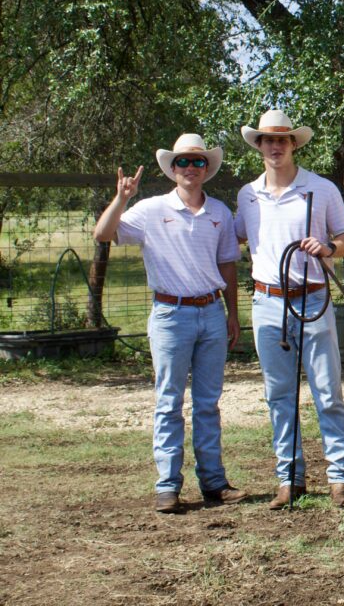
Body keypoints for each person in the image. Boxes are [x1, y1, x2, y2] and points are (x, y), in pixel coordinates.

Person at [94, 134, 244, 514]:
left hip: (211, 312)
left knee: (208, 403)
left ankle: (214, 483)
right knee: (168, 402)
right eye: (183, 162)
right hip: (169, 315)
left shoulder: (220, 213)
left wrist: (232, 314)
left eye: (197, 162)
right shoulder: (148, 209)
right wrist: (122, 197)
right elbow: (103, 234)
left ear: (206, 168)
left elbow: (228, 265)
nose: (190, 168)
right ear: (172, 168)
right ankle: (168, 486)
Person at [235, 109, 344, 509]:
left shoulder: (320, 189)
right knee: (279, 394)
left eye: (282, 140)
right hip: (267, 302)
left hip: (312, 299)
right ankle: (290, 478)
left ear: (293, 144)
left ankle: (340, 479)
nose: (275, 146)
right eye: (268, 140)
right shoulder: (247, 195)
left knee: (328, 391)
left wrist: (329, 249)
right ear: (259, 146)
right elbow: (236, 237)